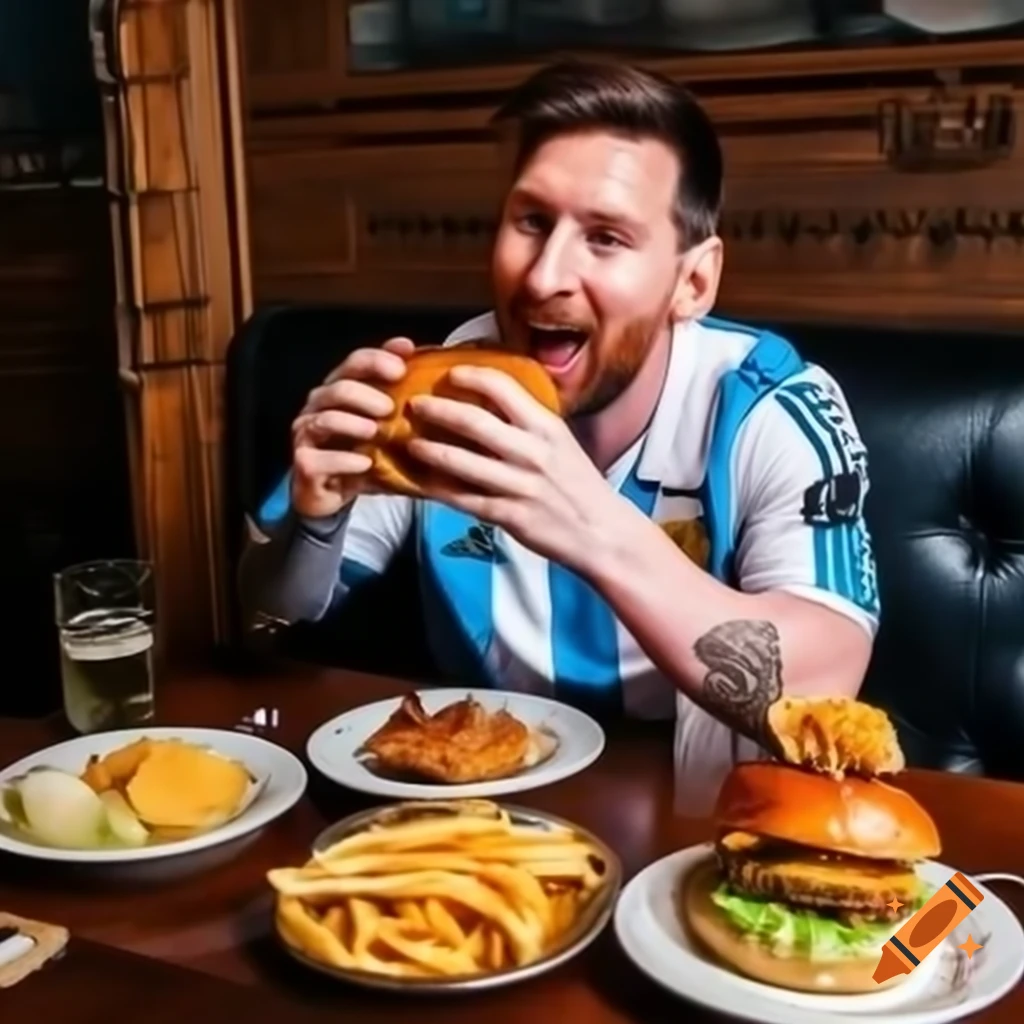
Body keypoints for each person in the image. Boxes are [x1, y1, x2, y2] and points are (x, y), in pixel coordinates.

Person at [240, 60, 879, 796]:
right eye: (532, 222)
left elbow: (826, 679)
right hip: (477, 806)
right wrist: (315, 519)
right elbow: (267, 619)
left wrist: (589, 525)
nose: (544, 277)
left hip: (697, 818)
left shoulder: (770, 406)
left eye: (605, 237)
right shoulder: (438, 395)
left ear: (693, 281)